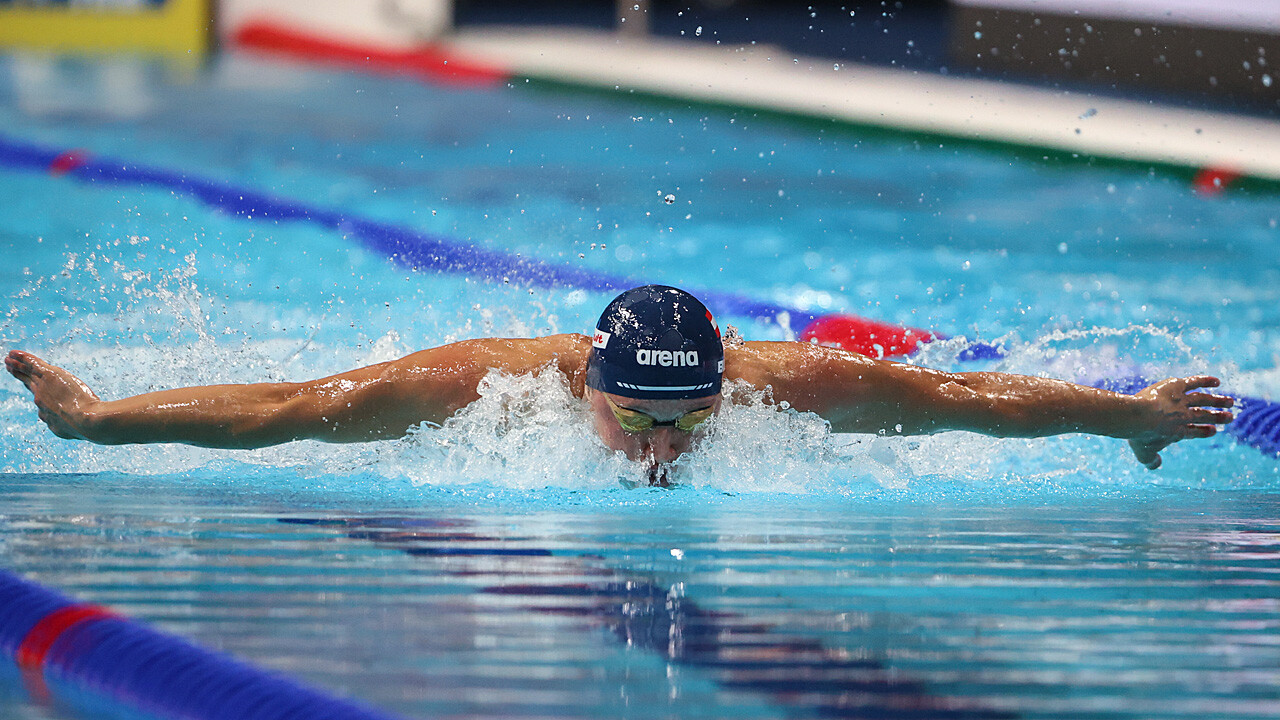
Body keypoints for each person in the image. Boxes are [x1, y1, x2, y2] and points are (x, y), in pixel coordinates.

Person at [5, 285, 1234, 485]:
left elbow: (969, 400)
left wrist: (1124, 414)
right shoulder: (477, 385)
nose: (660, 445)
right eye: (632, 414)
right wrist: (99, 420)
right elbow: (289, 409)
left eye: (688, 416)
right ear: (585, 372)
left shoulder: (784, 383)